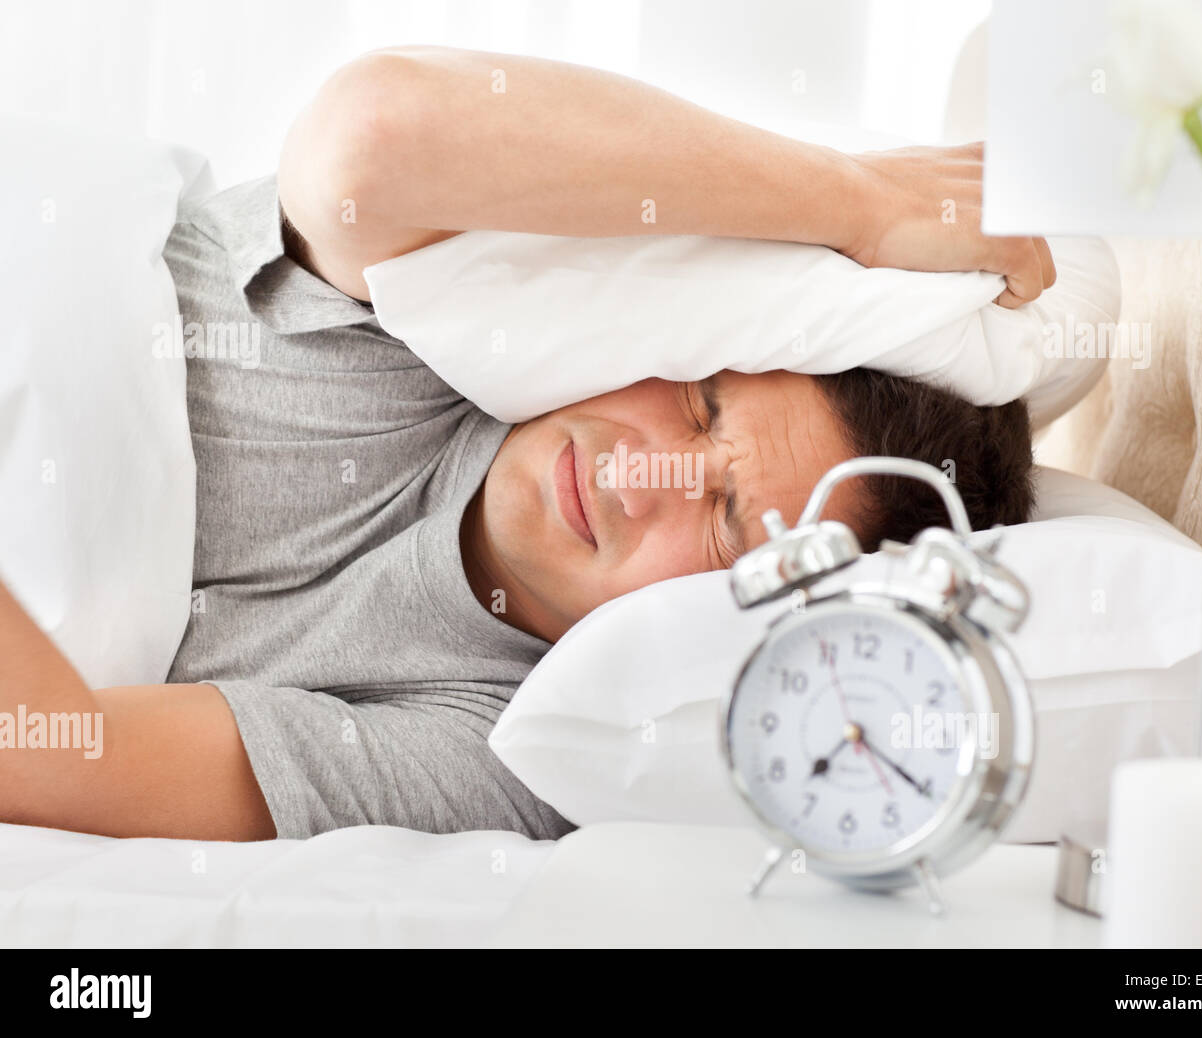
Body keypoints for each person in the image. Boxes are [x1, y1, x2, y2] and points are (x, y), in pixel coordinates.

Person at [0, 47, 1048, 842]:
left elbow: (58, 756)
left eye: (728, 530)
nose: (641, 475)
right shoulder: (475, 323)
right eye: (697, 402)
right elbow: (375, 132)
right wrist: (856, 204)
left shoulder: (507, 740)